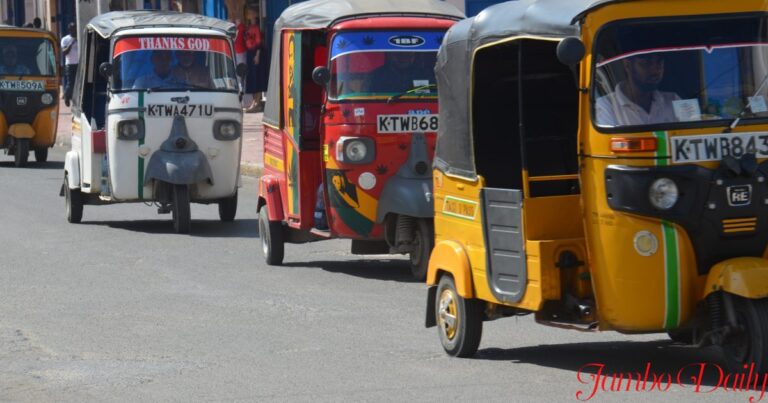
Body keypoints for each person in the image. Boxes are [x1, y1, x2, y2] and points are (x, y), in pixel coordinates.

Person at [595, 53, 680, 126]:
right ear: (627, 65)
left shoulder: (673, 101)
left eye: (659, 62)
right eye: (646, 63)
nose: (655, 71)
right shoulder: (606, 106)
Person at [364, 52, 430, 94]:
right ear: (389, 54)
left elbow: (424, 97)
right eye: (398, 54)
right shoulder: (377, 76)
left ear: (413, 55)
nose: (403, 57)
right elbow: (367, 99)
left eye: (407, 54)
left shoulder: (422, 74)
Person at [61, 22, 78, 107]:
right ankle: (66, 96)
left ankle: (76, 100)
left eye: (75, 29)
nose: (74, 31)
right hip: (70, 64)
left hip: (79, 64)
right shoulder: (65, 39)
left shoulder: (80, 38)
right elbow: (65, 52)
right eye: (72, 29)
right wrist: (71, 44)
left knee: (78, 83)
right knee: (70, 84)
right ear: (70, 30)